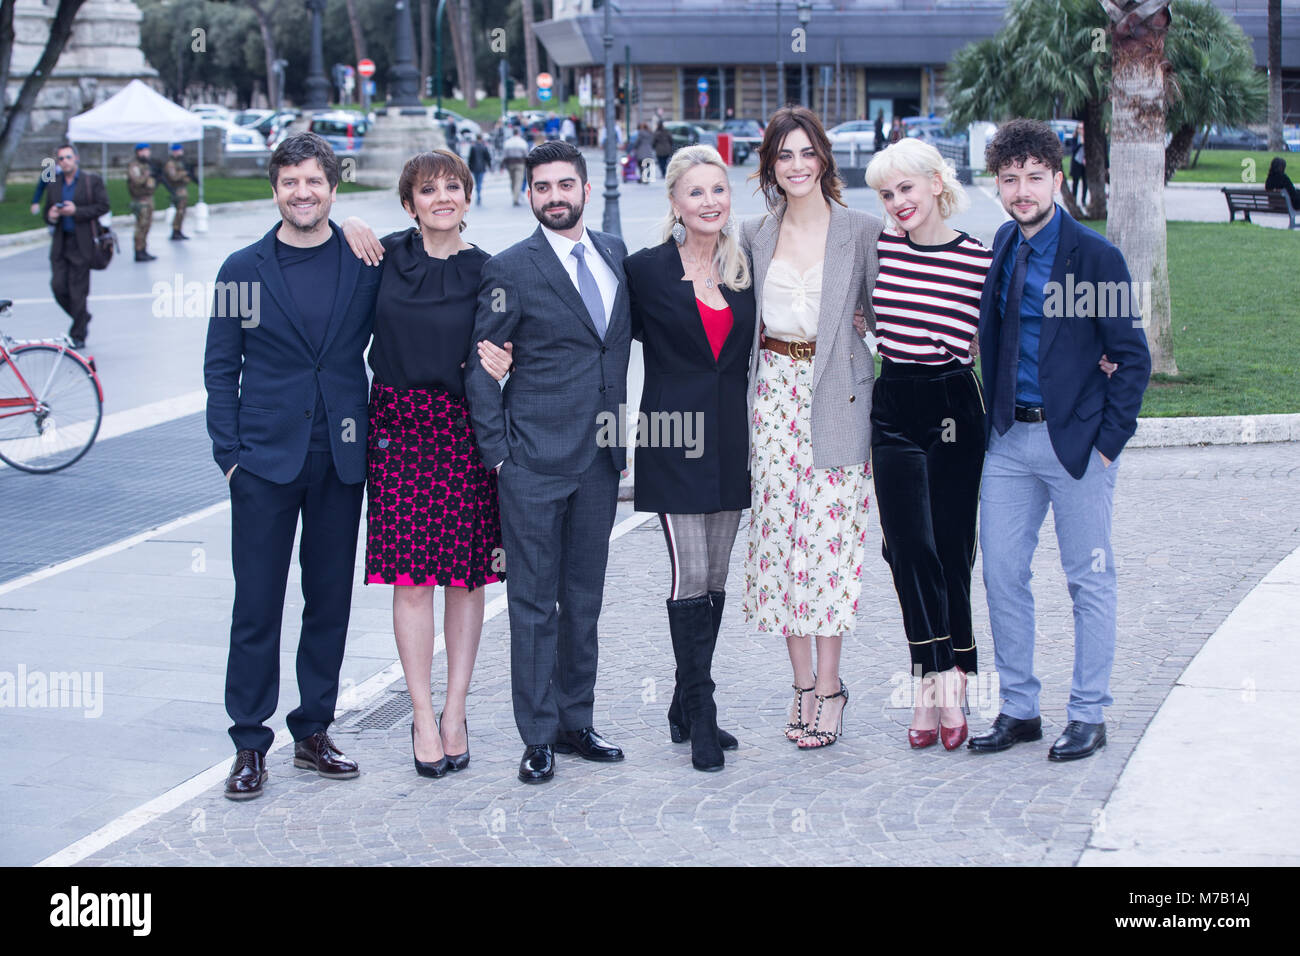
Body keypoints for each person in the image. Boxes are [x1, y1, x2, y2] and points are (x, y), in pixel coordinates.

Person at [203, 132, 383, 800]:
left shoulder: (365, 260)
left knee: (328, 601)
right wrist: (229, 457)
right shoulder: (241, 270)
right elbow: (221, 366)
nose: (302, 193)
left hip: (341, 457)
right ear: (274, 189)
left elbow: (430, 236)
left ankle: (313, 731)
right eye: (290, 182)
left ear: (333, 187)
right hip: (262, 463)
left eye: (315, 181)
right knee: (256, 605)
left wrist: (362, 224)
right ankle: (250, 742)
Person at [968, 119, 1150, 762]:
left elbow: (1130, 357)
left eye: (1034, 178)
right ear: (999, 183)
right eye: (1010, 179)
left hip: (1076, 446)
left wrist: (1108, 443)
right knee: (1001, 576)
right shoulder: (1002, 243)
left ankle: (1089, 714)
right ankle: (1019, 709)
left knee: (1088, 579)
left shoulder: (1095, 256)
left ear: (1056, 178)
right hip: (1009, 442)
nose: (1022, 191)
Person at [465, 141, 632, 784]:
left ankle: (575, 720)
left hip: (600, 460)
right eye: (542, 188)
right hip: (532, 463)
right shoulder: (511, 268)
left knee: (583, 600)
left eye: (566, 184)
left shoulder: (615, 255)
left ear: (586, 190)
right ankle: (536, 737)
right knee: (534, 605)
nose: (555, 196)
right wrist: (500, 458)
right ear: (529, 195)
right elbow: (483, 367)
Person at [739, 106, 882, 749]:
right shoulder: (754, 234)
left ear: (824, 158)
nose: (797, 166)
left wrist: (867, 343)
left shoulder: (863, 231)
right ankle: (799, 687)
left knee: (827, 550)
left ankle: (830, 689)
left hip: (838, 401)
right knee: (778, 548)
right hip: (772, 397)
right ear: (770, 166)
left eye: (807, 153)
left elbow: (889, 314)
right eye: (783, 155)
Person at [864, 138, 993, 751]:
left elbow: (1003, 337)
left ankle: (955, 679)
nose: (896, 203)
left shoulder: (980, 261)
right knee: (905, 547)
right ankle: (930, 677)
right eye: (886, 194)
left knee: (949, 548)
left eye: (906, 189)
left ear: (937, 183)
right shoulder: (881, 246)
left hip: (951, 404)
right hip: (894, 400)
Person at [43, 144, 109, 350]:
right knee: (58, 287)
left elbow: (103, 206)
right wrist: (52, 216)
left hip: (83, 242)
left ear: (76, 158)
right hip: (62, 242)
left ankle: (78, 334)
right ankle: (82, 317)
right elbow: (47, 212)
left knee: (78, 291)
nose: (65, 162)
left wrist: (76, 211)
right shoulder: (54, 184)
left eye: (68, 157)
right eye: (61, 159)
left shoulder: (91, 181)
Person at [126, 143, 158, 262]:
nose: (147, 153)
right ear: (139, 152)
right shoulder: (134, 165)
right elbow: (137, 181)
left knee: (146, 226)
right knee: (140, 226)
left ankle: (143, 249)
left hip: (148, 199)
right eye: (145, 151)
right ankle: (138, 251)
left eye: (148, 151)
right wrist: (147, 175)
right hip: (140, 200)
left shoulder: (146, 165)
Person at [162, 143, 192, 240]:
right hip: (176, 190)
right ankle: (175, 230)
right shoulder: (171, 164)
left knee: (182, 211)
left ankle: (179, 230)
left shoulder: (180, 163)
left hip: (182, 190)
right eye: (179, 151)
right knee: (179, 211)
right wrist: (184, 173)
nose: (181, 153)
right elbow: (174, 177)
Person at [502, 127, 529, 206]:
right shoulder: (522, 142)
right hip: (520, 163)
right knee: (518, 181)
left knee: (512, 180)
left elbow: (505, 154)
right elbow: (526, 154)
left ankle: (514, 195)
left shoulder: (507, 142)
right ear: (519, 133)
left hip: (510, 163)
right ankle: (515, 198)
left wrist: (503, 164)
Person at [467, 134, 492, 207]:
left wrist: (470, 167)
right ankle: (479, 194)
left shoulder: (473, 147)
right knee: (480, 182)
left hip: (474, 167)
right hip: (481, 167)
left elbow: (470, 158)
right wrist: (489, 166)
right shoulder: (484, 147)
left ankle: (478, 193)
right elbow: (488, 157)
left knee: (477, 181)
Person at [1069, 124, 1087, 207]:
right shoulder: (1075, 138)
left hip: (1085, 163)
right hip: (1076, 162)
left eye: (1083, 128)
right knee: (1075, 182)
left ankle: (1083, 200)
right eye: (1079, 128)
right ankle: (1074, 200)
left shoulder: (1088, 138)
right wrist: (1080, 144)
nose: (1081, 130)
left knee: (1085, 182)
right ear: (1077, 129)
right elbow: (1073, 150)